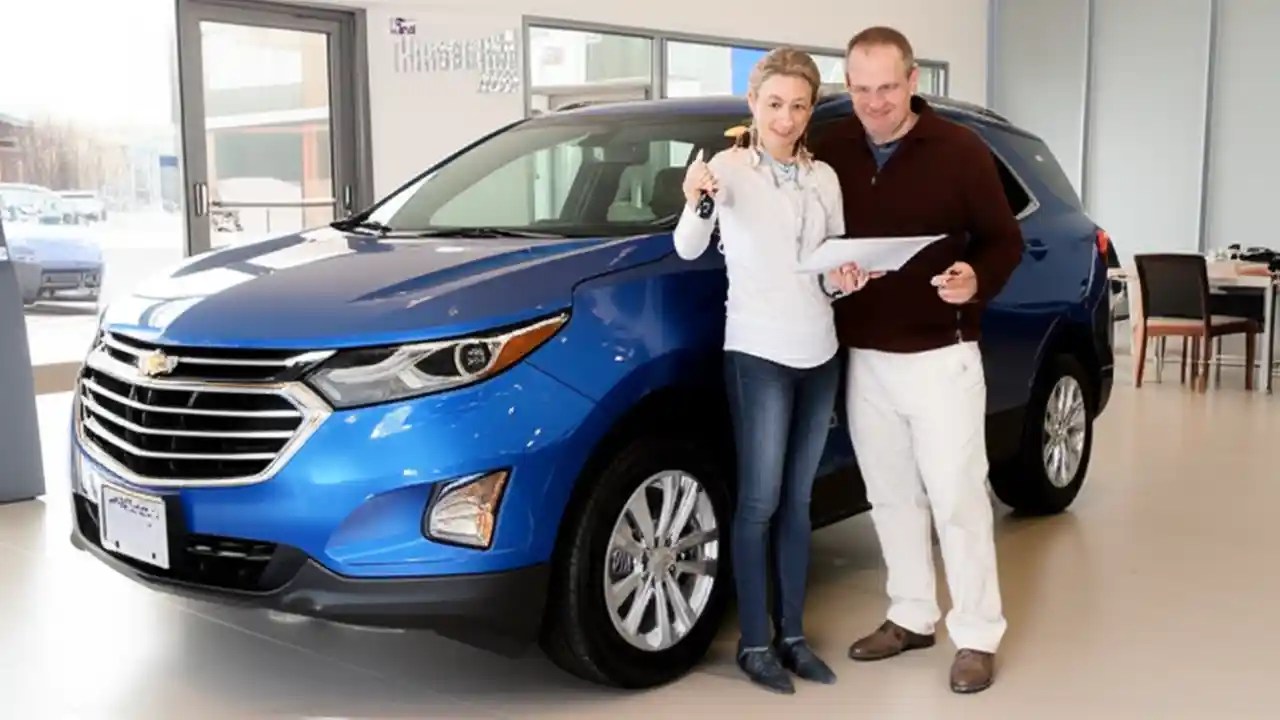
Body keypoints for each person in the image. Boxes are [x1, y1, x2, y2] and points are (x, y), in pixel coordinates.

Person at [815, 27, 1024, 694]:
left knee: (957, 498)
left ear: (912, 82)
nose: (874, 103)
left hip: (942, 356)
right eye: (861, 89)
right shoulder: (834, 148)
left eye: (886, 87)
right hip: (866, 358)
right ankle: (910, 616)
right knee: (889, 496)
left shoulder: (961, 151)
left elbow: (1004, 240)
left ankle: (977, 634)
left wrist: (976, 279)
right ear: (848, 87)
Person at [673, 47, 871, 695]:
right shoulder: (725, 171)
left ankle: (793, 637)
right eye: (775, 103)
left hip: (819, 350)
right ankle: (754, 644)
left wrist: (847, 278)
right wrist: (696, 200)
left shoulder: (825, 179)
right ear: (752, 104)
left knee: (798, 502)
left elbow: (831, 266)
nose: (786, 118)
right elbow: (688, 245)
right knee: (758, 501)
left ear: (811, 110)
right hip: (757, 351)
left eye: (799, 105)